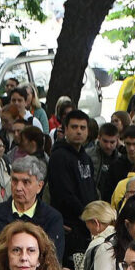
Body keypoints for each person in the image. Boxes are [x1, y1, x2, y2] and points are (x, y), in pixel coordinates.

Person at [0, 156, 65, 269]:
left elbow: (52, 261)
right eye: (14, 181)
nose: (18, 188)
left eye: (26, 182)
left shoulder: (52, 218)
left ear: (39, 186)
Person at [46, 109, 98, 261]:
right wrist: (87, 217)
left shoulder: (86, 157)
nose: (79, 131)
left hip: (87, 225)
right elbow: (64, 194)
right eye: (74, 127)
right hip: (68, 227)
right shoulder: (58, 157)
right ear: (65, 129)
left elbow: (91, 190)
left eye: (83, 128)